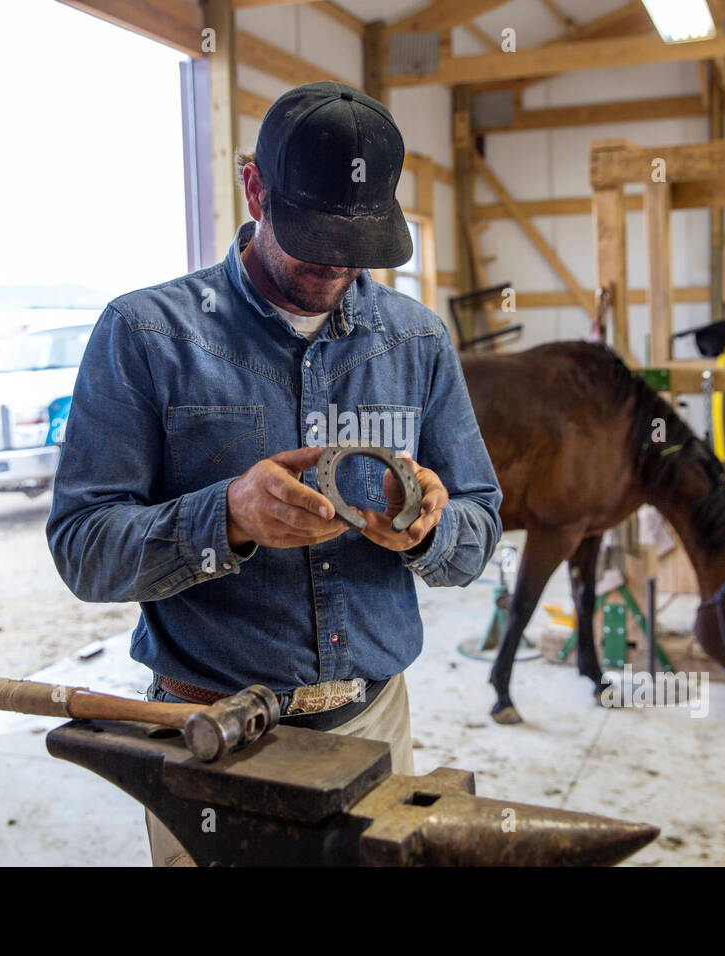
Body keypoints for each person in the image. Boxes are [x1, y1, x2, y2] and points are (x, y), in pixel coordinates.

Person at [46, 81, 502, 866]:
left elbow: (479, 527)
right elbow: (84, 550)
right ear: (253, 186)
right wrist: (226, 516)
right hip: (209, 740)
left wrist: (432, 529)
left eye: (356, 242)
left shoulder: (417, 342)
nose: (334, 263)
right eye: (311, 232)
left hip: (373, 726)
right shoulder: (146, 335)